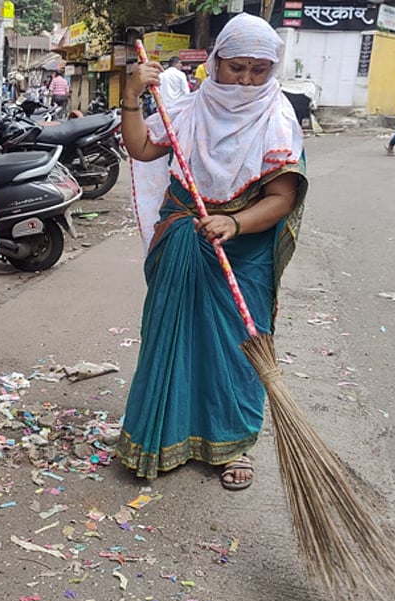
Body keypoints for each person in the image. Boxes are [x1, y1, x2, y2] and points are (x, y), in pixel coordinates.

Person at [117, 14, 308, 489]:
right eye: (236, 67)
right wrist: (129, 97)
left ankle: (235, 442)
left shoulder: (278, 120)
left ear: (272, 69)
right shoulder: (186, 109)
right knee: (172, 334)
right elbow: (142, 147)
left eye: (258, 70)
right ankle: (163, 435)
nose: (245, 79)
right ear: (215, 62)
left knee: (236, 346)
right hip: (184, 233)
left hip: (242, 249)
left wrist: (235, 221)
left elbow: (281, 197)